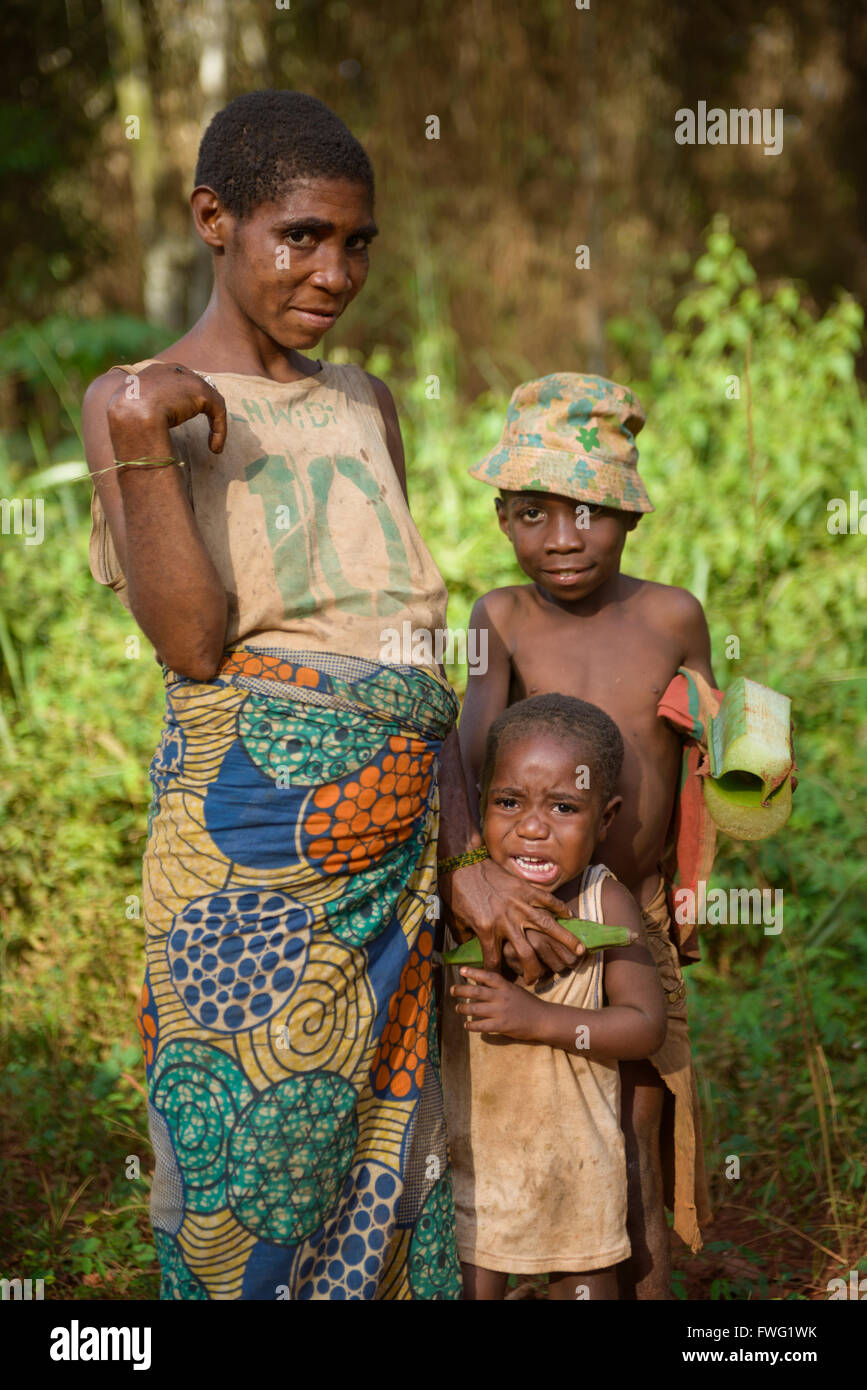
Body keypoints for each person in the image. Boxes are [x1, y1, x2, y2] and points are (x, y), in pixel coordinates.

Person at [82, 90, 575, 1301]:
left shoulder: (362, 399)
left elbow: (416, 654)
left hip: (395, 854)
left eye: (356, 241)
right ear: (214, 218)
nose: (334, 268)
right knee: (252, 1163)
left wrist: (459, 844)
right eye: (299, 234)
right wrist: (146, 439)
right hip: (256, 849)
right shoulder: (135, 399)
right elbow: (195, 642)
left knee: (385, 1166)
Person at [458, 372, 719, 1298]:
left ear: (630, 516)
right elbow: (468, 755)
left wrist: (748, 763)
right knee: (518, 1141)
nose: (560, 539)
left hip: (634, 916)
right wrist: (479, 888)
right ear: (502, 519)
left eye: (589, 512)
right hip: (534, 920)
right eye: (532, 513)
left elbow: (710, 748)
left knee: (636, 1138)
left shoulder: (670, 615)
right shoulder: (500, 618)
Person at [443, 694, 666, 1299]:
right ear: (479, 803)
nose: (532, 828)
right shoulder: (459, 908)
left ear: (607, 818)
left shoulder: (602, 903)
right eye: (508, 802)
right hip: (475, 1170)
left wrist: (536, 1018)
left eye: (564, 807)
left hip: (578, 1170)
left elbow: (646, 1025)